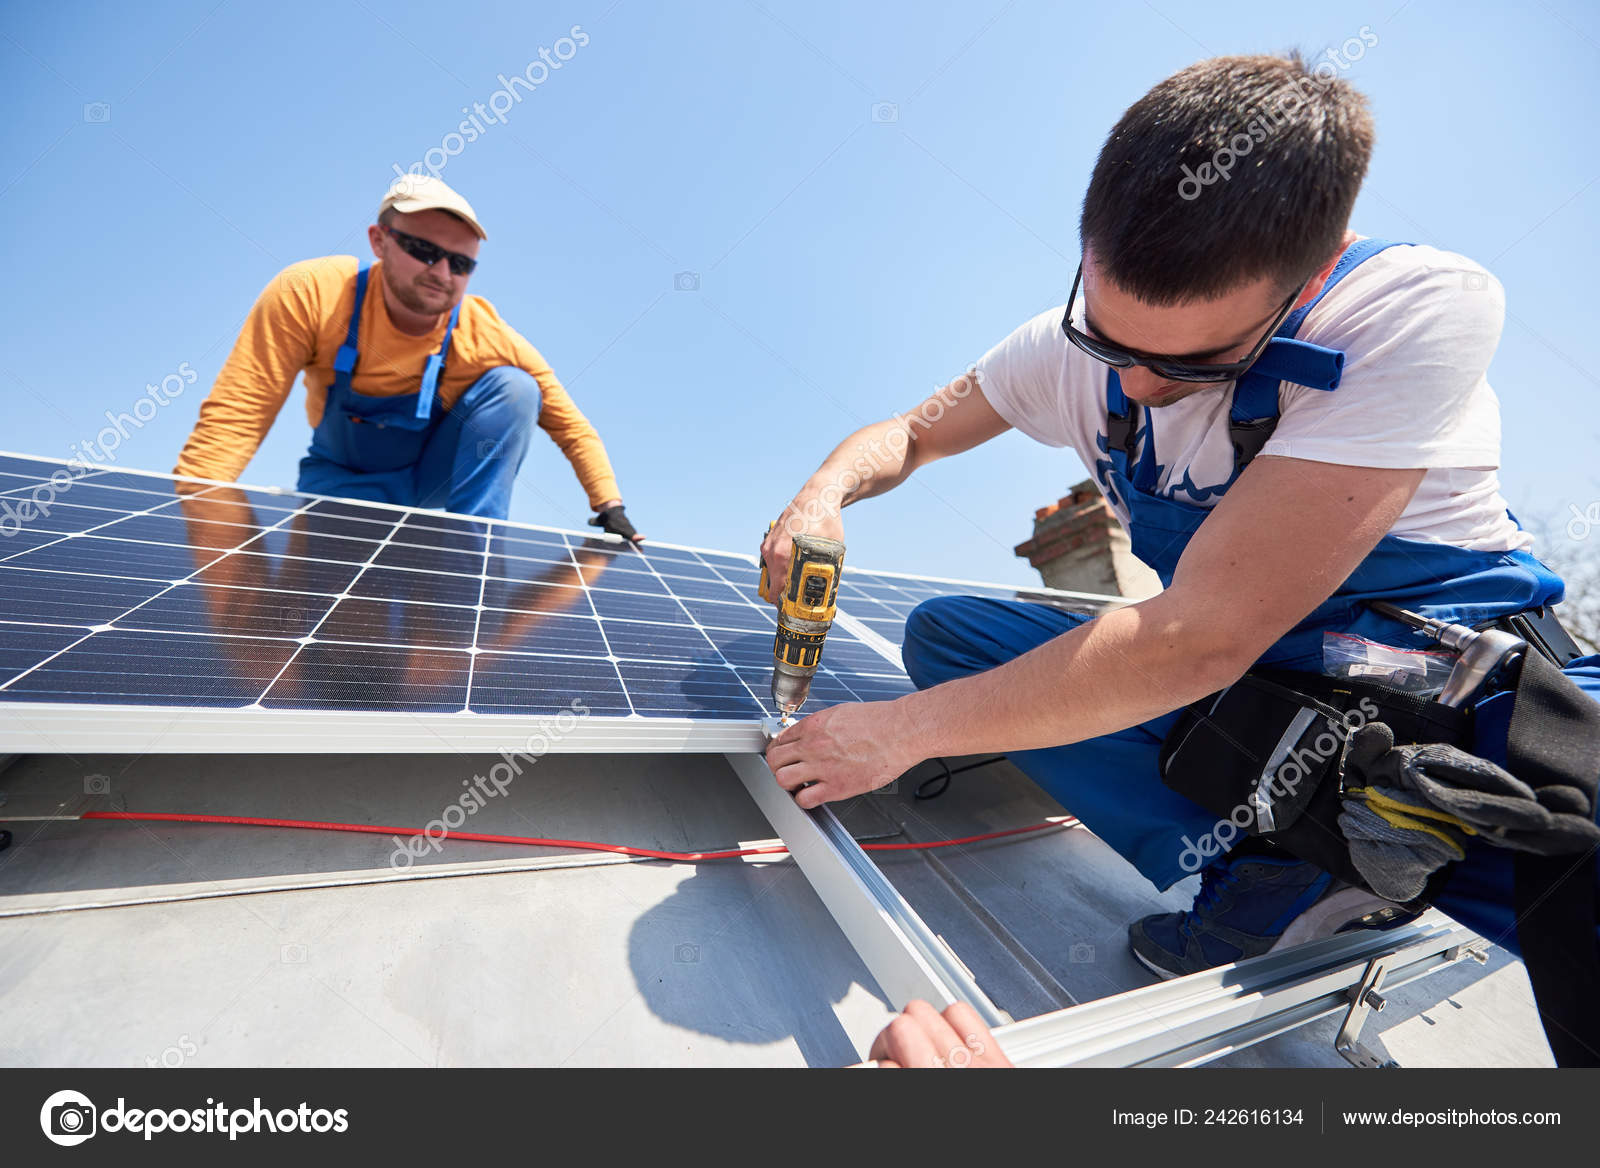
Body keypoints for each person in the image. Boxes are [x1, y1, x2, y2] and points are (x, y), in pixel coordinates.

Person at [759, 53, 1600, 1060]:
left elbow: (1197, 638)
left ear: (1311, 272)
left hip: (1458, 709)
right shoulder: (1062, 350)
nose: (1145, 385)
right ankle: (1275, 865)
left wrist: (900, 735)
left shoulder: (1413, 307)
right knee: (954, 638)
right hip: (1258, 692)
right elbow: (910, 433)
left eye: (1194, 362)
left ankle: (1355, 854)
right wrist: (822, 494)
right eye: (1113, 343)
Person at [174, 175, 643, 539]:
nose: (442, 272)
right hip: (341, 478)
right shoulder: (313, 293)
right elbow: (239, 413)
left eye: (460, 264)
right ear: (379, 241)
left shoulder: (485, 333)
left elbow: (571, 426)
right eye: (423, 250)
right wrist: (190, 507)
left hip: (427, 474)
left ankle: (466, 559)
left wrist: (609, 506)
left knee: (516, 389)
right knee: (330, 636)